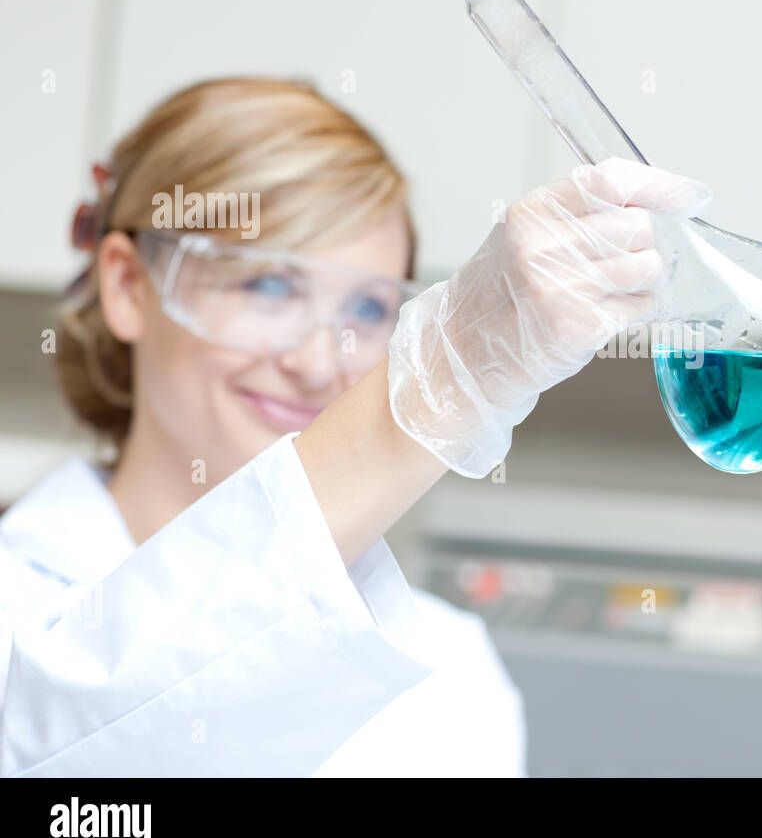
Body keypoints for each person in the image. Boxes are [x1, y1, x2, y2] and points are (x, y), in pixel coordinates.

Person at [0, 77, 711, 776]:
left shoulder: (456, 672)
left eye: (369, 310)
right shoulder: (18, 599)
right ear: (128, 286)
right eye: (268, 286)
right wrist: (444, 376)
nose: (317, 362)